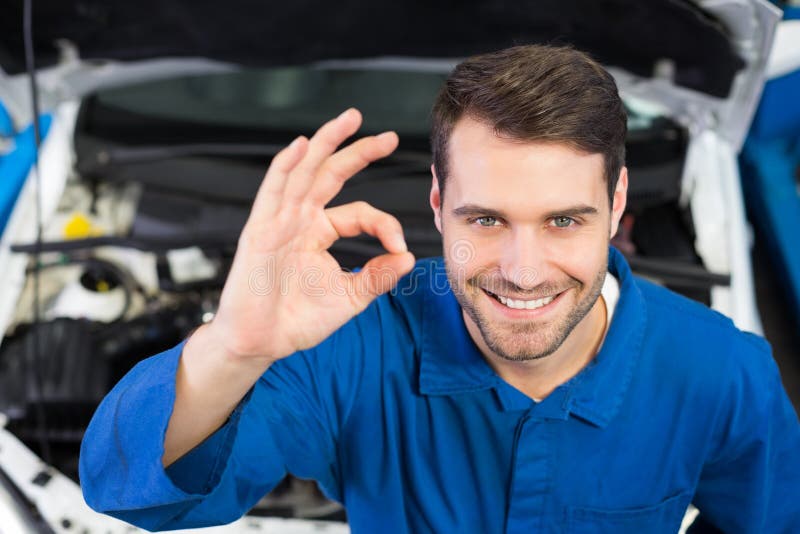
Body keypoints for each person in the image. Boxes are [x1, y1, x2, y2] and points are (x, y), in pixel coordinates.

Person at [79, 45, 800, 533]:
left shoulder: (724, 372)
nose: (523, 270)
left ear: (616, 206)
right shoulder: (349, 344)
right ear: (435, 203)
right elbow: (132, 493)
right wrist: (233, 346)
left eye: (563, 220)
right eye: (485, 219)